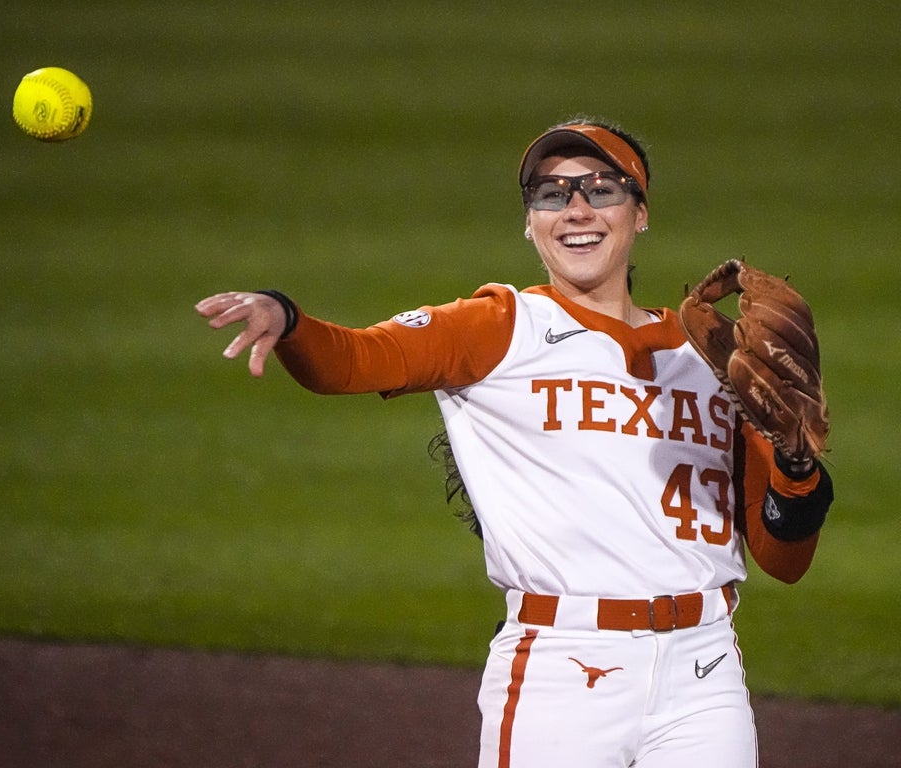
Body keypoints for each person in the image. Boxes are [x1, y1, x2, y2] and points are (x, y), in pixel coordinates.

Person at [194, 118, 834, 767]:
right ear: (531, 223)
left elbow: (785, 559)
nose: (575, 209)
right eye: (551, 194)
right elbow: (352, 360)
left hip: (705, 671)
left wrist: (796, 467)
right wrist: (287, 317)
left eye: (601, 189)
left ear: (639, 213)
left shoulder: (714, 361)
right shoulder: (501, 327)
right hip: (563, 669)